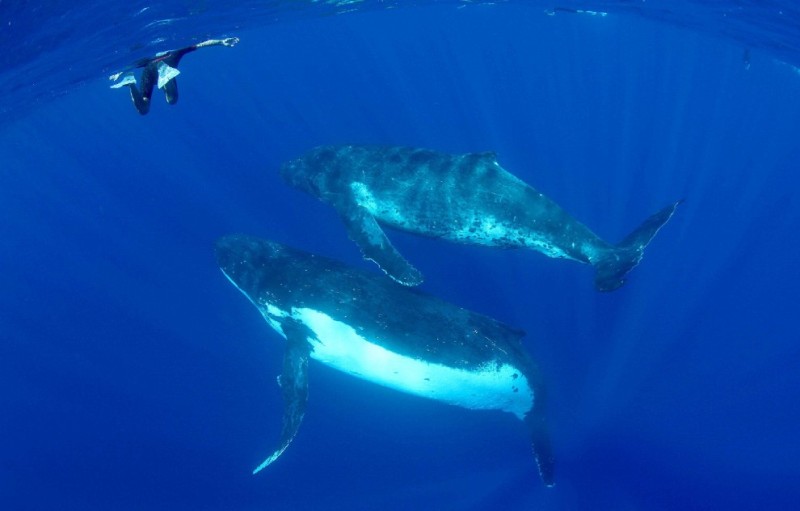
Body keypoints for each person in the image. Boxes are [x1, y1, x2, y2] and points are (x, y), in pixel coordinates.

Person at [110, 37, 239, 115]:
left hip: (149, 70)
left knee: (143, 109)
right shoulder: (176, 51)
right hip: (166, 62)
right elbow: (200, 44)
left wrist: (120, 72)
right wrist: (221, 42)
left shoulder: (149, 58)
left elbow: (134, 63)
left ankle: (130, 83)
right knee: (172, 100)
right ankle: (165, 75)